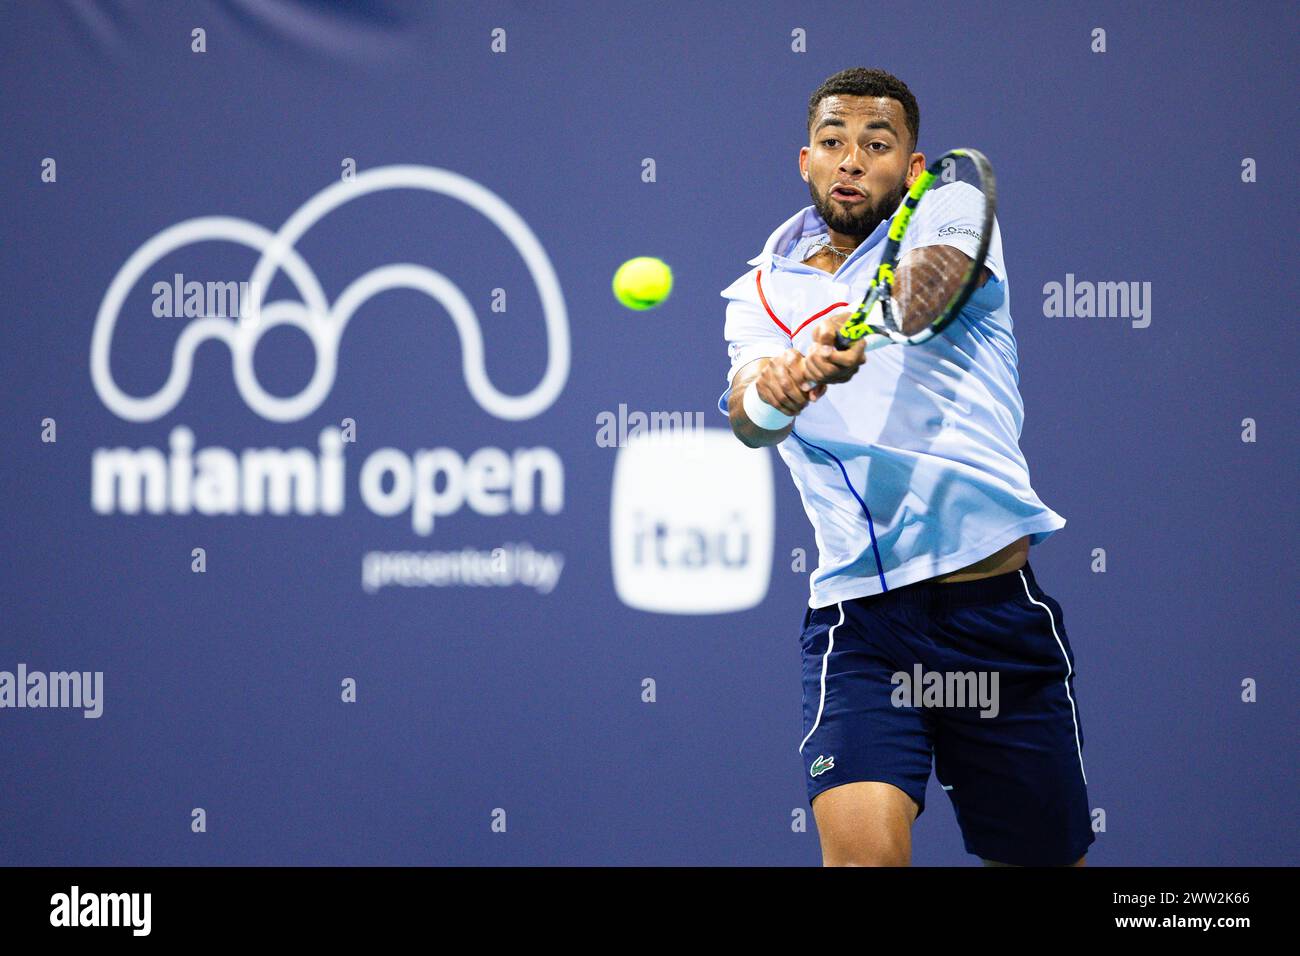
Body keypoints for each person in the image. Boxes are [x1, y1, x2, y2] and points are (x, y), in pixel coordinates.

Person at [720, 67, 1093, 867]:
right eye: (833, 143)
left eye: (876, 144)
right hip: (864, 629)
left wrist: (864, 328)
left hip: (992, 612)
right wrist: (782, 384)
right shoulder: (756, 290)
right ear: (806, 161)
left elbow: (928, 291)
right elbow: (748, 417)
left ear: (912, 168)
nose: (851, 160)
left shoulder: (953, 207)